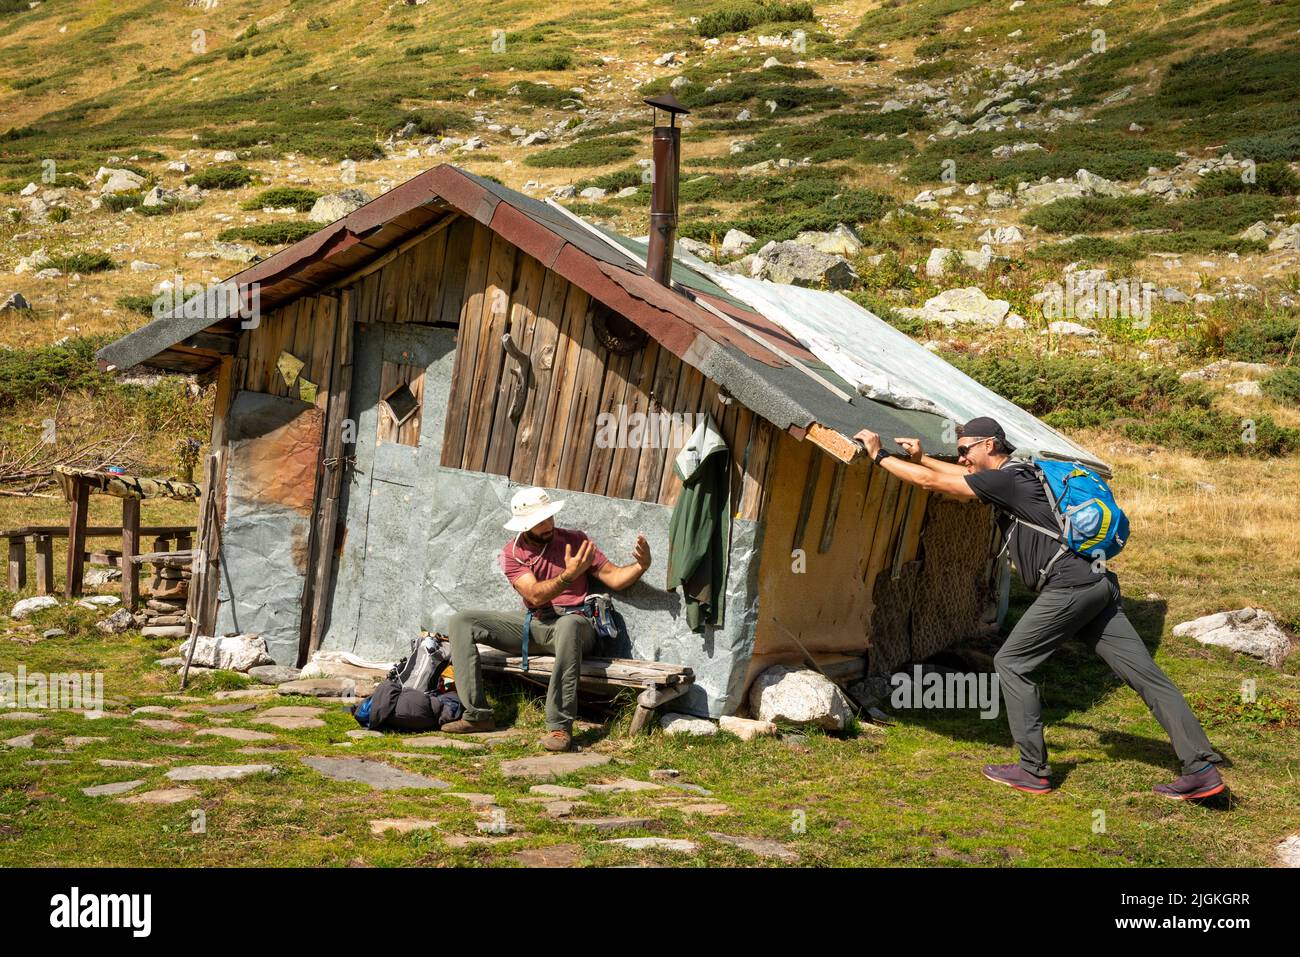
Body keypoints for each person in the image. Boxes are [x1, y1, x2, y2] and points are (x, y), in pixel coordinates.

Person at [852, 417, 1226, 800]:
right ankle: (1201, 768)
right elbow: (953, 477)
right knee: (1146, 676)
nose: (962, 457)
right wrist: (924, 457)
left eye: (965, 450)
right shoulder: (1017, 475)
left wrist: (879, 455)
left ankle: (1032, 771)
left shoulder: (1008, 479)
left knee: (1012, 663)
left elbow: (935, 484)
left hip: (1069, 588)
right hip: (1095, 583)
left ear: (989, 445)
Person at [440, 486, 652, 752]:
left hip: (577, 626)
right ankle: (477, 715)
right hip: (537, 624)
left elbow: (615, 578)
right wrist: (567, 576)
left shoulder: (575, 541)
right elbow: (535, 596)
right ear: (525, 526)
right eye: (539, 522)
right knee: (462, 621)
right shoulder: (513, 554)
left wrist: (640, 566)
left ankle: (559, 727)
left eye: (549, 517)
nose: (547, 525)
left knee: (569, 624)